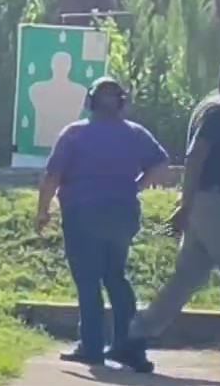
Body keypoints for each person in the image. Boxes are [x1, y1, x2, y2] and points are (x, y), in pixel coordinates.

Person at [111, 54, 220, 377]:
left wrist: (190, 206)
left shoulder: (210, 106)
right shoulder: (219, 112)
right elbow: (196, 157)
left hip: (207, 204)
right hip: (215, 206)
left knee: (184, 280)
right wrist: (184, 207)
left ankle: (134, 335)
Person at [34, 77, 173, 366]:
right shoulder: (136, 134)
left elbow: (52, 176)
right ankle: (128, 344)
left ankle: (92, 346)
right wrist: (136, 186)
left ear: (90, 102)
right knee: (116, 277)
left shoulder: (73, 134)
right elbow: (161, 165)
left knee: (87, 279)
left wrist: (42, 210)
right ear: (122, 103)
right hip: (122, 212)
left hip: (82, 213)